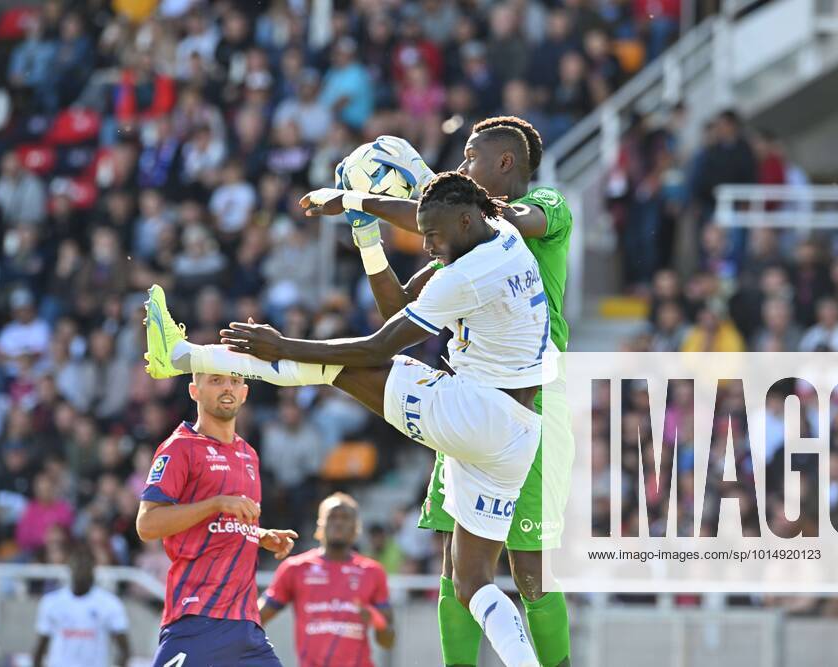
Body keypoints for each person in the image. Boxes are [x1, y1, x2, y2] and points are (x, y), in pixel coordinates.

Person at [145, 171, 553, 667]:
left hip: (477, 412)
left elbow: (379, 342)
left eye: (435, 237)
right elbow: (423, 214)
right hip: (517, 434)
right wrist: (355, 200)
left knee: (337, 365)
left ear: (466, 220)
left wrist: (283, 344)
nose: (426, 246)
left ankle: (185, 356)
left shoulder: (463, 276)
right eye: (424, 235)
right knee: (474, 583)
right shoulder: (503, 234)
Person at [320, 118, 575, 667]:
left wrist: (402, 185)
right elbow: (398, 316)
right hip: (470, 397)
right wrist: (366, 232)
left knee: (530, 570)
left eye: (468, 158)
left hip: (533, 401)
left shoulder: (546, 206)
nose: (460, 168)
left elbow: (508, 214)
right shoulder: (460, 248)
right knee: (456, 564)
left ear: (505, 164)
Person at [135, 370, 299, 667]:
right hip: (196, 619)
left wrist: (260, 536)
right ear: (194, 391)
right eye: (216, 380)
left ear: (245, 393)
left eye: (235, 382)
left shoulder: (249, 455)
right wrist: (216, 504)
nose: (227, 388)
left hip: (246, 626)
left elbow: (227, 524)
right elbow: (147, 525)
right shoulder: (179, 447)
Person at [259, 492, 395, 666]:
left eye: (345, 517)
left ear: (356, 527)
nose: (338, 522)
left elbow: (388, 640)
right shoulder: (295, 568)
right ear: (319, 525)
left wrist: (376, 619)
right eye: (332, 517)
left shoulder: (373, 572)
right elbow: (257, 618)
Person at [33, 544, 130, 667]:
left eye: (85, 563)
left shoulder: (110, 604)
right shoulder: (51, 602)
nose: (81, 568)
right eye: (77, 563)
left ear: (93, 567)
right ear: (69, 566)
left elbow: (124, 649)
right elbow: (39, 649)